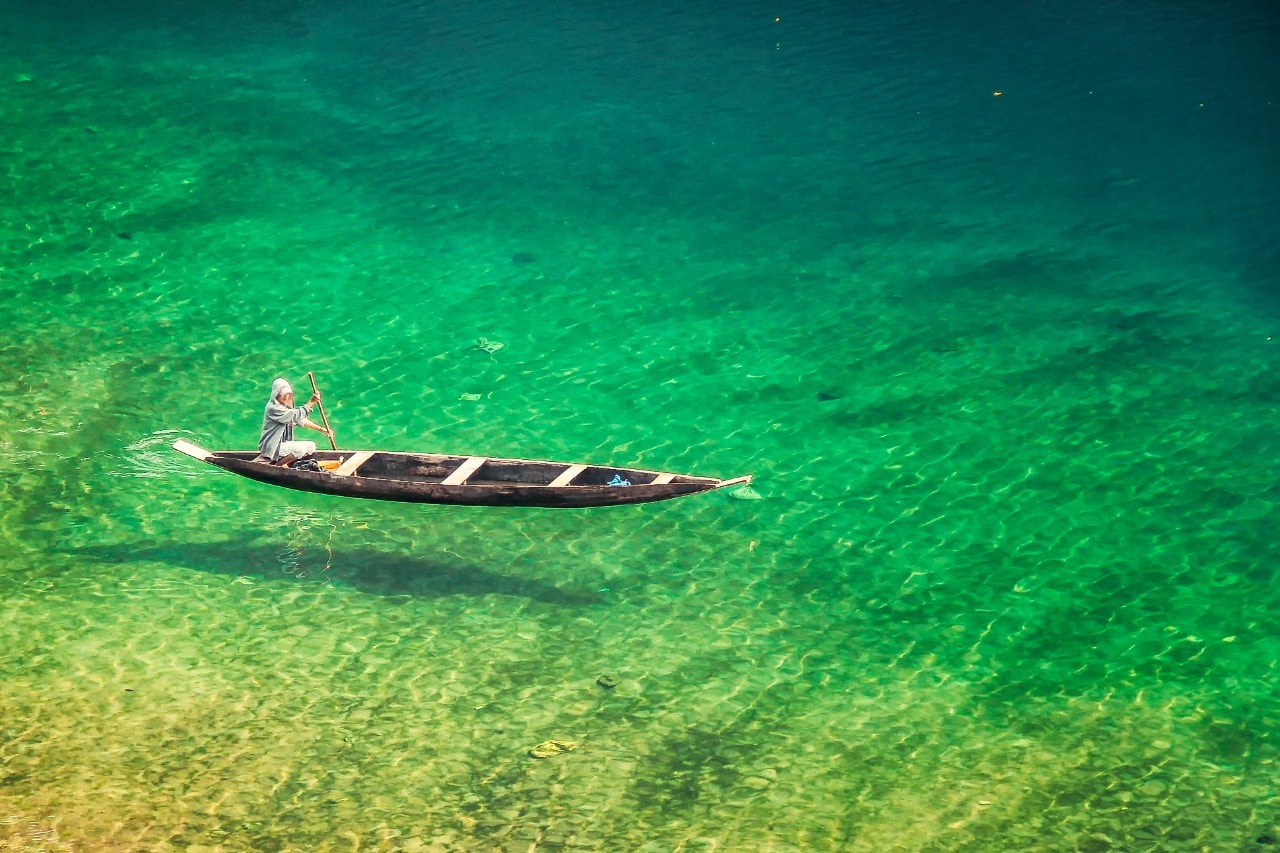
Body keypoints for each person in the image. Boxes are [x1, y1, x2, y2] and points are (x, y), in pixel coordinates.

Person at [255, 377, 334, 465]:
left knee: (311, 446)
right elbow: (295, 416)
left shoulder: (285, 406)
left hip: (284, 444)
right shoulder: (273, 408)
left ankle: (287, 463)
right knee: (300, 450)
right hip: (272, 447)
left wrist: (321, 429)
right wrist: (312, 402)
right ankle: (278, 467)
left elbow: (301, 420)